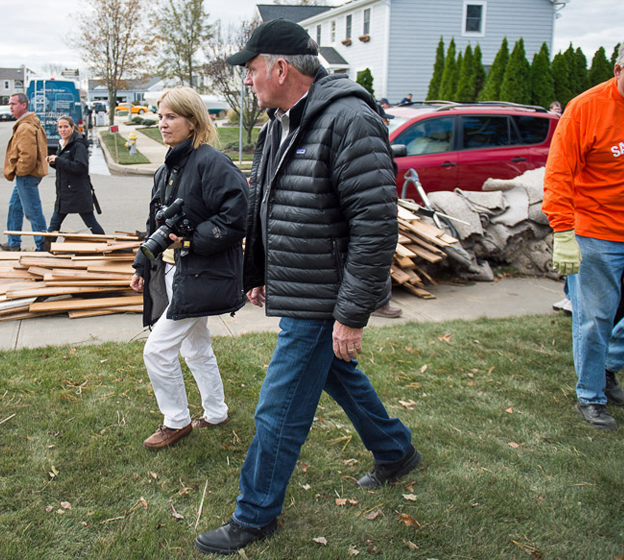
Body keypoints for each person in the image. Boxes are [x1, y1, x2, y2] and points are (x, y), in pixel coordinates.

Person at [195, 19, 419, 555]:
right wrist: (260, 274)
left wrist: (351, 313)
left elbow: (375, 224)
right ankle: (395, 452)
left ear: (280, 67)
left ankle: (255, 515)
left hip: (327, 295)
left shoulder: (349, 120)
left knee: (279, 406)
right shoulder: (282, 121)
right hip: (304, 284)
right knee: (337, 378)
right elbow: (268, 204)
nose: (247, 80)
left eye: (251, 70)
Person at [543, 30, 624, 431]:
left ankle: (607, 364)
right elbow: (559, 173)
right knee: (595, 317)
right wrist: (563, 231)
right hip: (597, 230)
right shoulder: (585, 109)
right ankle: (591, 395)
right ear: (619, 69)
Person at [129, 87, 248, 450]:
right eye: (160, 116)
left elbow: (237, 217)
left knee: (157, 350)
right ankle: (216, 411)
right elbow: (156, 223)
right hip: (174, 270)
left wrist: (193, 239)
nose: (162, 123)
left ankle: (176, 421)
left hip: (201, 274)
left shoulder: (212, 163)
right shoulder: (168, 166)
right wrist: (141, 263)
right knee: (196, 348)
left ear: (193, 121)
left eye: (171, 117)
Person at [46, 115, 106, 246]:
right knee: (54, 224)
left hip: (78, 193)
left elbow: (80, 167)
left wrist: (58, 160)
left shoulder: (78, 145)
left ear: (72, 128)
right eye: (60, 127)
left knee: (91, 223)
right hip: (64, 193)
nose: (63, 130)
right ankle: (44, 250)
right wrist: (53, 162)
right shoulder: (62, 143)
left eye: (66, 127)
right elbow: (65, 167)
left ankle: (107, 245)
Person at [1, 93, 48, 251]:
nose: (11, 107)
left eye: (14, 103)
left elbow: (28, 156)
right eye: (10, 104)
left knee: (33, 212)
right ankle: (13, 242)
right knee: (15, 207)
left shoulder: (25, 127)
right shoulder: (25, 124)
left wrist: (20, 172)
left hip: (26, 176)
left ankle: (43, 246)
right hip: (25, 176)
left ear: (24, 105)